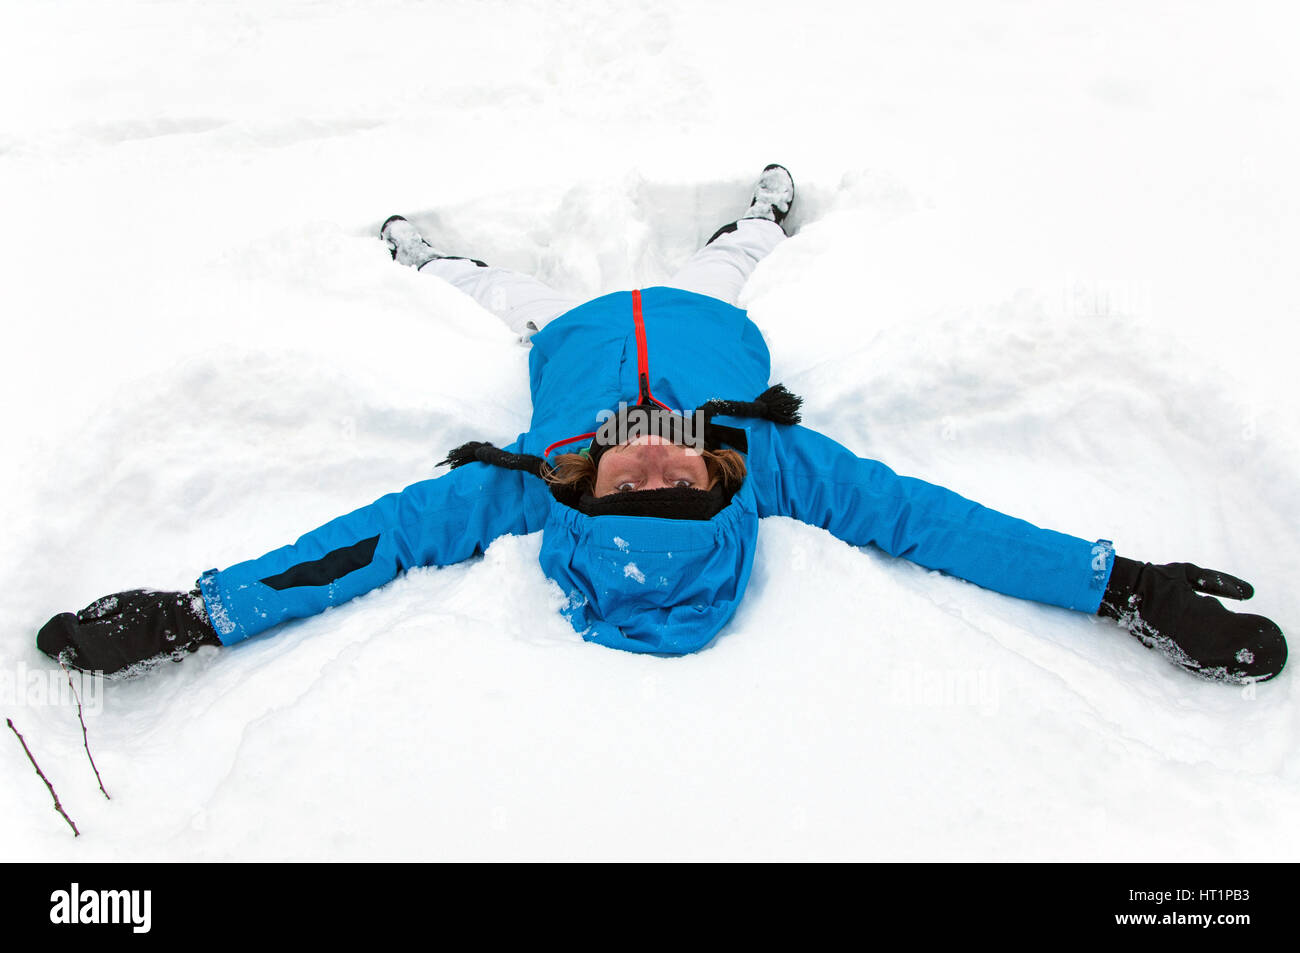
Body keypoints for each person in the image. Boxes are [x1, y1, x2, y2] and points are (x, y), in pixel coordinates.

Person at [35, 166, 1287, 684]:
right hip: (705, 306)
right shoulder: (773, 457)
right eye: (673, 474)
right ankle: (763, 208)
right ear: (720, 493)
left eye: (622, 477)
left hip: (562, 324)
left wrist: (198, 614)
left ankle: (418, 247)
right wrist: (1123, 584)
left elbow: (359, 545)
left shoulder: (527, 481)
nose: (647, 448)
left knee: (483, 289)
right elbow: (944, 527)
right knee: (737, 254)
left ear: (578, 501)